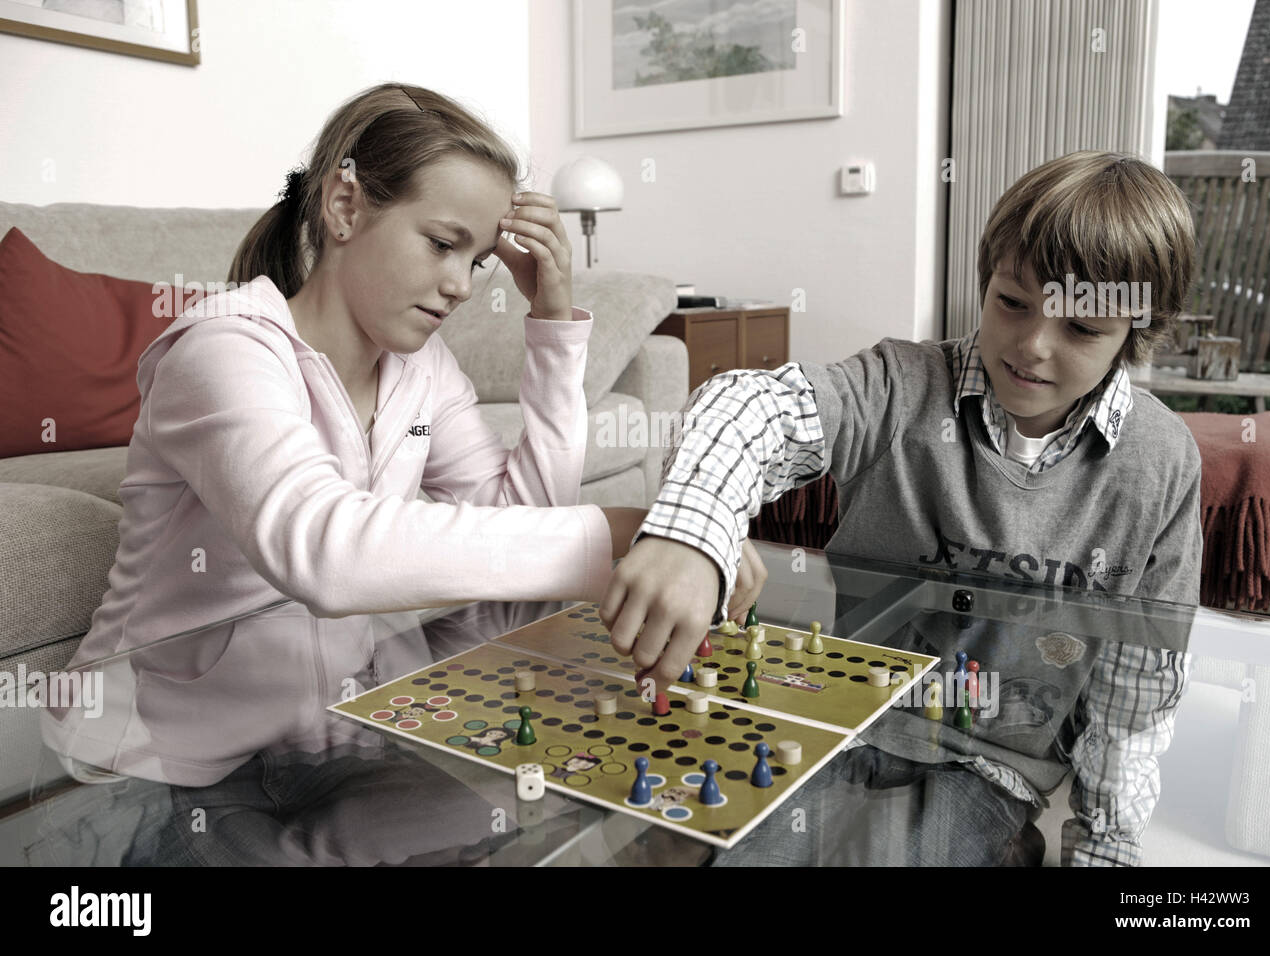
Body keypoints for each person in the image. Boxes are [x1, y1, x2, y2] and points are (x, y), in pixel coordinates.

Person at [601, 151, 1203, 866]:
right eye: (1012, 303)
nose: (1034, 346)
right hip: (845, 722)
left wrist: (1105, 848)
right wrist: (693, 533)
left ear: (1138, 331)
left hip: (988, 765)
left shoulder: (1160, 460)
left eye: (1081, 330)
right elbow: (750, 403)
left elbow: (1137, 689)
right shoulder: (901, 383)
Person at [42, 82, 649, 787]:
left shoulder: (424, 373)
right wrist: (614, 533)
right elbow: (327, 550)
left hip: (318, 753)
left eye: (476, 259)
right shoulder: (224, 351)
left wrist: (552, 328)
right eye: (441, 243)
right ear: (344, 206)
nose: (459, 286)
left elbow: (520, 532)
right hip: (146, 769)